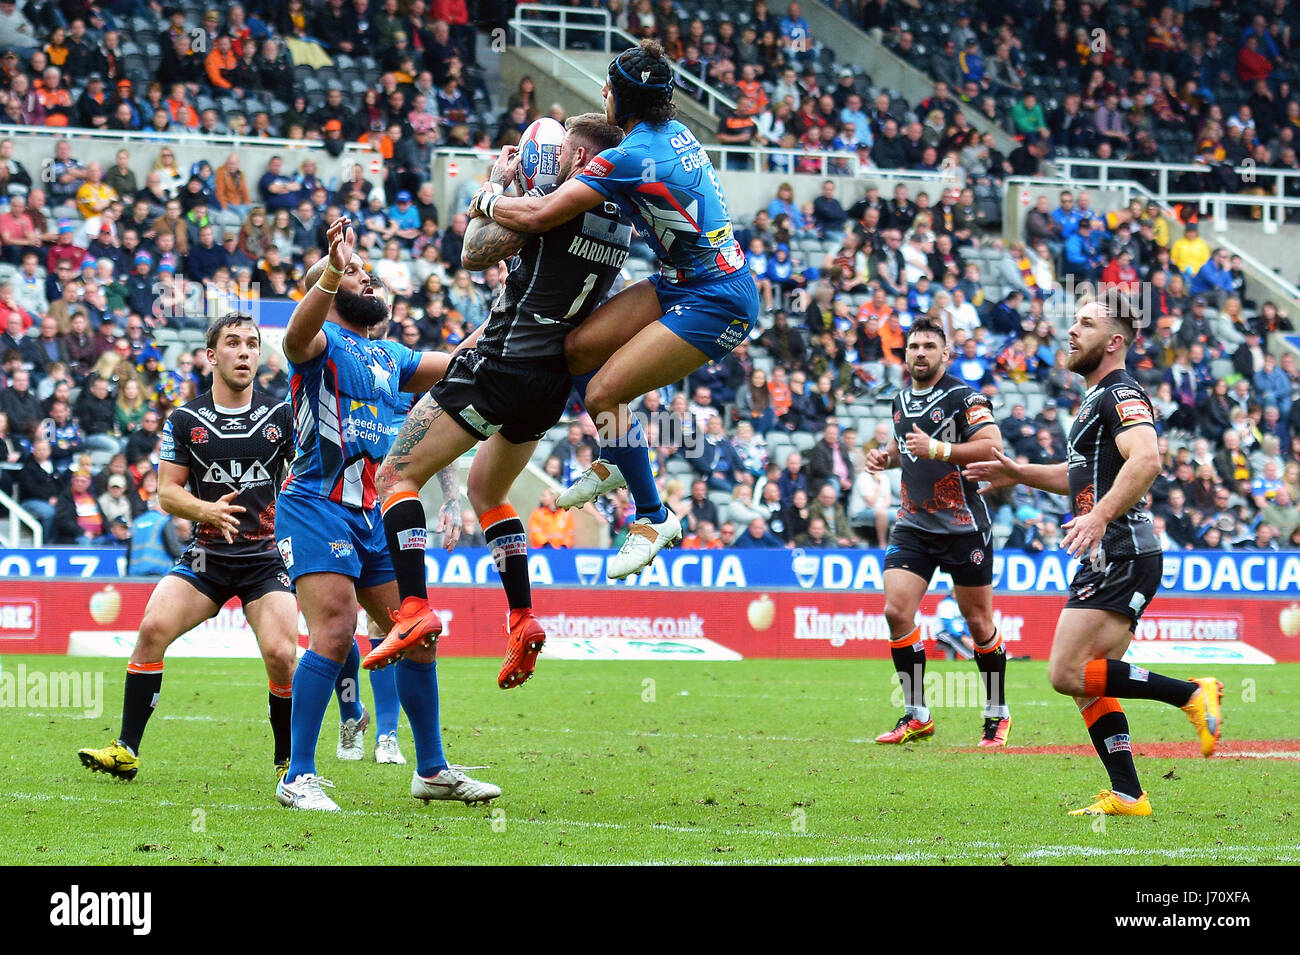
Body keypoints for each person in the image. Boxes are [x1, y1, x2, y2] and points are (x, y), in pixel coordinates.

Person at [466, 39, 760, 580]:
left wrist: (487, 197)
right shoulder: (676, 133)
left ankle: (654, 518)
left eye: (607, 86)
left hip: (717, 298)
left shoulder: (625, 156)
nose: (601, 92)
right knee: (578, 349)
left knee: (605, 392)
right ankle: (614, 455)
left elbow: (539, 217)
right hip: (683, 278)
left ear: (620, 99)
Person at [369, 114, 631, 689]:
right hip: (549, 381)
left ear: (584, 158)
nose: (558, 159)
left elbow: (472, 252)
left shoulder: (554, 202)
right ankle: (521, 616)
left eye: (567, 151)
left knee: (394, 476)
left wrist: (499, 185)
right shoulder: (619, 220)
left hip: (502, 366)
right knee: (489, 492)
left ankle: (412, 607)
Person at [965, 293, 1224, 816]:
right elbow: (1075, 476)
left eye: (1085, 323)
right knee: (1091, 680)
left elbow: (1147, 458)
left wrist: (1101, 515)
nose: (1072, 331)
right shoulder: (1093, 399)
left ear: (1114, 341)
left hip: (1123, 550)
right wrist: (1018, 473)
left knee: (1066, 672)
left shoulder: (1122, 393)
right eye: (1073, 321)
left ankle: (1191, 694)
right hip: (1110, 554)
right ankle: (1129, 793)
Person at [272, 216, 497, 811]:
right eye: (358, 276)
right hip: (316, 505)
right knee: (336, 629)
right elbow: (294, 338)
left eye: (370, 275)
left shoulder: (387, 355)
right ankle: (298, 775)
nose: (369, 279)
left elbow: (457, 364)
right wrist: (330, 270)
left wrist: (510, 314)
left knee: (419, 634)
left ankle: (431, 770)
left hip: (374, 514)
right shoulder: (319, 343)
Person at [77, 313, 299, 782]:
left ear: (260, 355)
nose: (244, 351)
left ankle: (288, 763)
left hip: (264, 558)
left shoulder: (283, 416)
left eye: (253, 344)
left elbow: (306, 478)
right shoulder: (184, 419)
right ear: (211, 356)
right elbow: (167, 492)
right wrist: (208, 511)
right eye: (234, 343)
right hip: (206, 556)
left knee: (282, 656)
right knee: (152, 628)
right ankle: (126, 750)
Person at [864, 318, 1012, 747]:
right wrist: (883, 459)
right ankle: (917, 714)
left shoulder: (965, 397)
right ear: (905, 354)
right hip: (913, 524)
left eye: (930, 346)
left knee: (977, 621)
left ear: (946, 354)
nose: (921, 353)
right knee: (896, 611)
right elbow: (903, 451)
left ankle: (997, 712)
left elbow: (992, 447)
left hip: (963, 527)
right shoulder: (899, 400)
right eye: (913, 346)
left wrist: (941, 449)